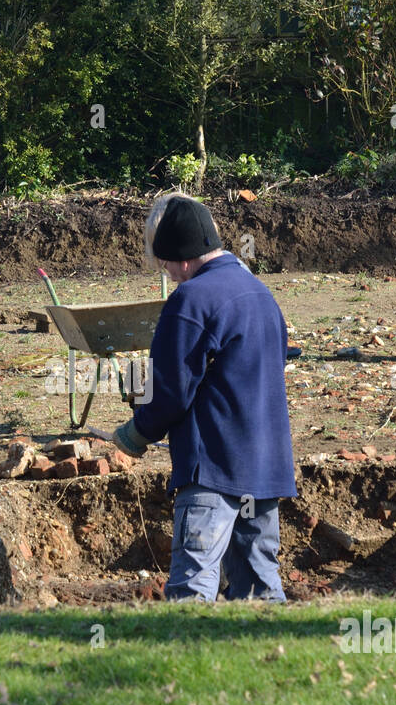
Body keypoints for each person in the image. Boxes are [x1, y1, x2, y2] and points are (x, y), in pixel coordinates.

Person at [111, 195, 295, 603]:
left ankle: (186, 645)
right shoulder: (260, 293)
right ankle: (273, 643)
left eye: (164, 263)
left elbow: (171, 392)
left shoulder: (191, 300)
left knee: (192, 588)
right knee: (259, 589)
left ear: (179, 257)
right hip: (264, 470)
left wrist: (136, 432)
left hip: (212, 471)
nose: (168, 274)